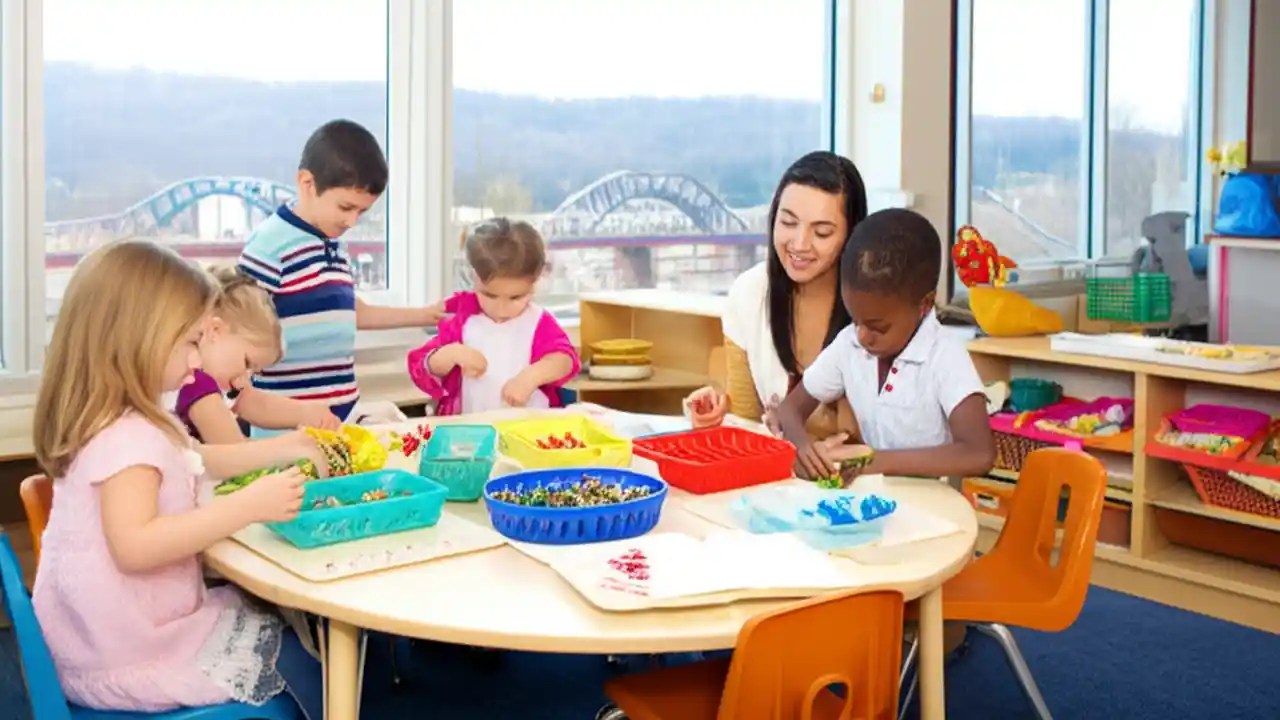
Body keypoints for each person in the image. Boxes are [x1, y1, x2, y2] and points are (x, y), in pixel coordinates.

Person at [31, 240, 323, 719]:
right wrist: (247, 506)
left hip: (106, 635)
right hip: (126, 652)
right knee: (293, 655)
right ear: (137, 338)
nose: (196, 360)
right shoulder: (127, 438)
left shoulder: (124, 419)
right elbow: (136, 546)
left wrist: (285, 448)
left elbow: (200, 458)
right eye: (190, 342)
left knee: (274, 627)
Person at [238, 119, 444, 430]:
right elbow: (238, 330)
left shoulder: (332, 242)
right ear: (307, 184)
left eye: (361, 212)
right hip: (282, 425)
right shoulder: (268, 247)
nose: (351, 221)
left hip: (342, 417)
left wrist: (426, 316)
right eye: (345, 207)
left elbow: (348, 312)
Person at [774, 207, 995, 481]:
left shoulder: (944, 355)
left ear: (924, 305)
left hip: (935, 511)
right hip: (876, 501)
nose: (863, 336)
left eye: (878, 327)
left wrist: (874, 461)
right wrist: (803, 447)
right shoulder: (849, 345)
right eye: (856, 321)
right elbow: (790, 409)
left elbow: (979, 454)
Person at [686, 151, 867, 441]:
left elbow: (893, 438)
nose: (799, 244)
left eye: (821, 232)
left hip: (862, 481)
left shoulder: (876, 304)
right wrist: (717, 414)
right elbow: (746, 424)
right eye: (788, 223)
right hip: (782, 481)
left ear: (852, 234)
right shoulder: (749, 293)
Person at [407, 218, 579, 413]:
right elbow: (422, 367)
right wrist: (448, 354)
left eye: (515, 297)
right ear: (474, 277)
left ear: (535, 282)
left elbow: (565, 360)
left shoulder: (537, 321)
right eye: (490, 295)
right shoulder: (460, 316)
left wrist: (531, 377)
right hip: (470, 429)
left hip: (530, 428)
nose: (501, 310)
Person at [174, 266, 341, 444]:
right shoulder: (196, 384)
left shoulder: (218, 380)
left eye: (253, 371)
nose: (245, 378)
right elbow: (234, 453)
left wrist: (306, 412)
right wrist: (295, 447)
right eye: (247, 363)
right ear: (215, 331)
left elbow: (253, 402)